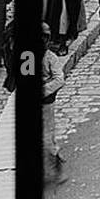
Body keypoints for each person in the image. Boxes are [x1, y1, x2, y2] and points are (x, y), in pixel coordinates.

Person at [42, 24, 67, 184]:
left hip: (46, 103)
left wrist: (44, 90)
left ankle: (57, 170)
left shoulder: (51, 57)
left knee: (47, 139)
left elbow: (59, 79)